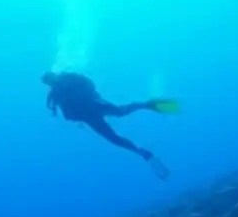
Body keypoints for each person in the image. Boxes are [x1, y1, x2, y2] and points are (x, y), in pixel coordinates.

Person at [41, 71, 178, 179]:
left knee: (120, 113)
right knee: (114, 137)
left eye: (51, 78)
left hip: (95, 106)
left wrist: (87, 100)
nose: (52, 80)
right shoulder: (56, 94)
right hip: (90, 115)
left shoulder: (67, 79)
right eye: (49, 80)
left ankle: (149, 105)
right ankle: (142, 152)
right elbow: (65, 114)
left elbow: (87, 86)